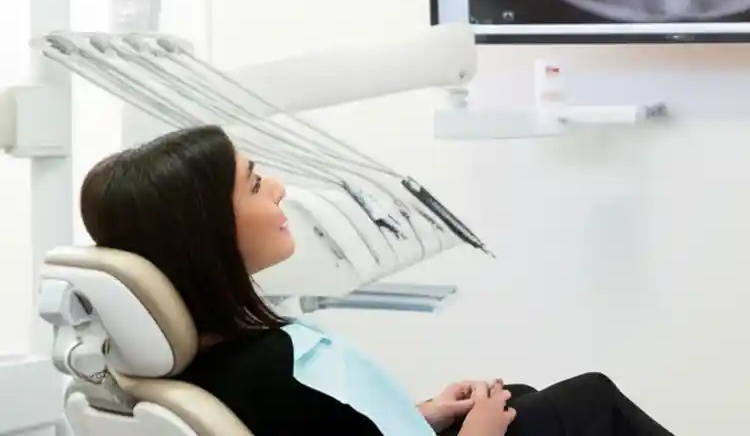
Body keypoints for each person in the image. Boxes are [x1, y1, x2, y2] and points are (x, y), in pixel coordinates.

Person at [79, 124, 675, 436]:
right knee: (592, 403)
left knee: (520, 398)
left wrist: (428, 412)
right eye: (256, 183)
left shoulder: (215, 363)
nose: (280, 188)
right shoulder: (264, 374)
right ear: (208, 232)